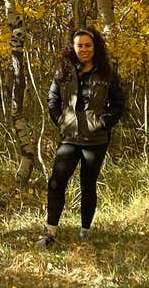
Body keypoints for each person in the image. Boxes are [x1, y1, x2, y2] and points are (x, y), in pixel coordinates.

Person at [38, 26, 126, 247]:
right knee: (56, 183)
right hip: (69, 137)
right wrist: (60, 120)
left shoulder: (107, 73)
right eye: (80, 45)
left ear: (95, 47)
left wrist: (102, 123)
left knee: (88, 185)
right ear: (73, 47)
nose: (84, 49)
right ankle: (50, 233)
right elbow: (52, 100)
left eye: (88, 45)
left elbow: (118, 104)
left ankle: (85, 232)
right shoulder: (64, 71)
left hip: (95, 140)